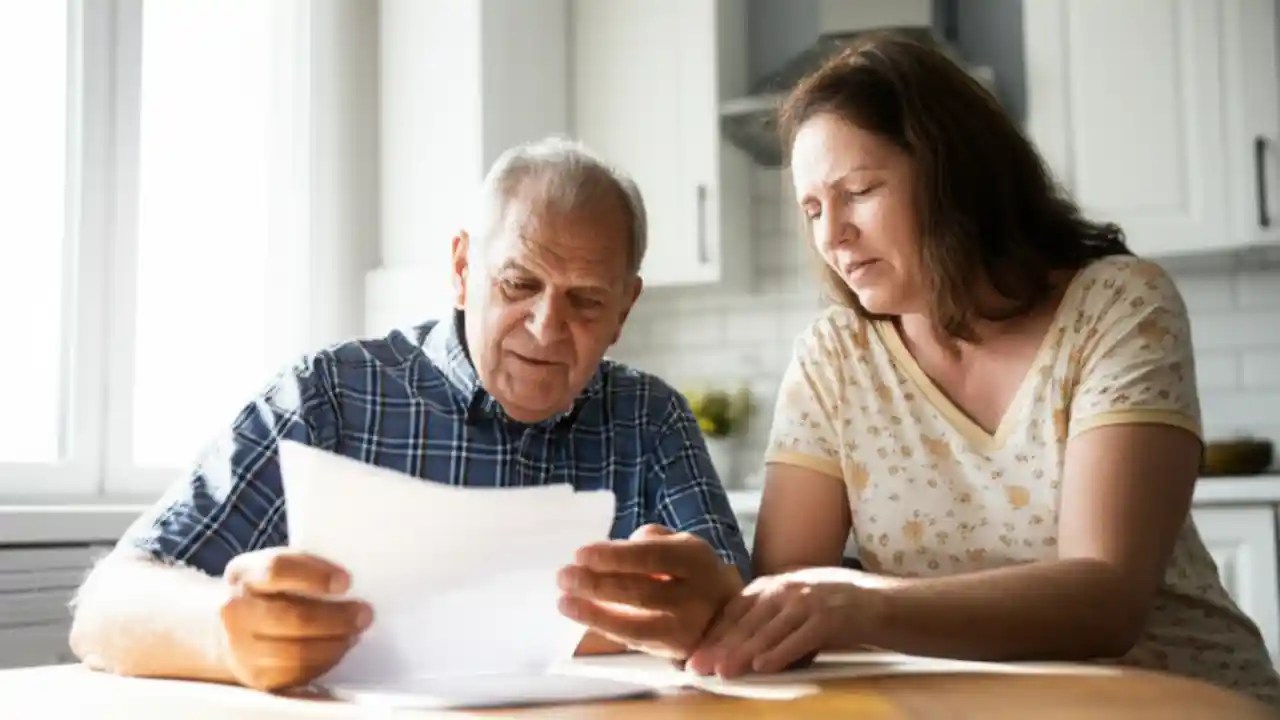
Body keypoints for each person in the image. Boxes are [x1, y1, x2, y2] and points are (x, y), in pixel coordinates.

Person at [684, 34, 1280, 709]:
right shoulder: (833, 356)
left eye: (858, 191)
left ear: (953, 175)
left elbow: (1106, 601)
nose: (832, 236)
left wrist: (860, 603)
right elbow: (789, 597)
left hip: (1175, 699)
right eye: (813, 209)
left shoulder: (1119, 304)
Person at [69, 137, 749, 692]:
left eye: (586, 302)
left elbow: (746, 619)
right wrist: (226, 632)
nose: (546, 328)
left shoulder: (650, 419)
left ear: (625, 309)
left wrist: (710, 609)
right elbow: (104, 609)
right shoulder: (327, 396)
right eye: (518, 284)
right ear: (461, 269)